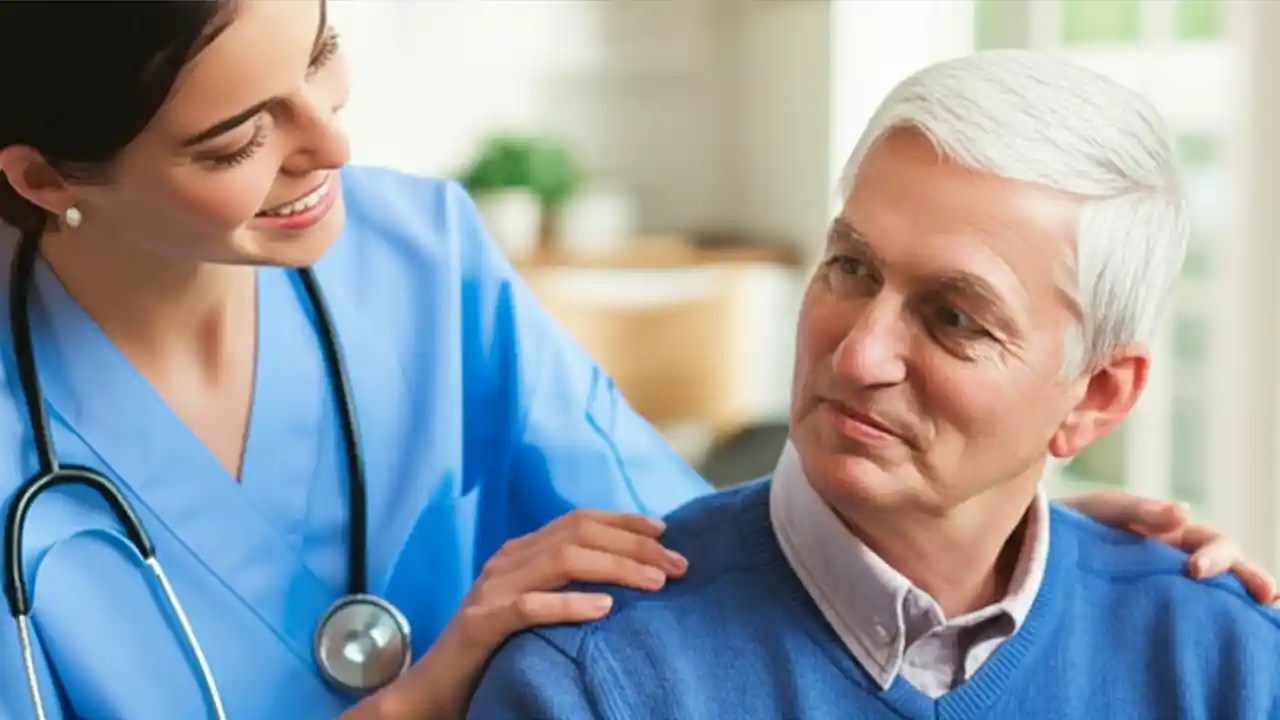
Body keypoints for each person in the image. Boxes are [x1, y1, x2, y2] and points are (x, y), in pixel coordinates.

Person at [0, 4, 1269, 719]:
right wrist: (424, 699)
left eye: (323, 51)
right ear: (49, 179)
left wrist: (1007, 532)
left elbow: (708, 541)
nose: (331, 140)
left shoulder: (418, 252)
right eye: (235, 138)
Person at [467, 50, 1280, 720]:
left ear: (1096, 397)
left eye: (955, 318)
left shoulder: (1229, 668)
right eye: (851, 268)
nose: (859, 357)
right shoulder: (591, 677)